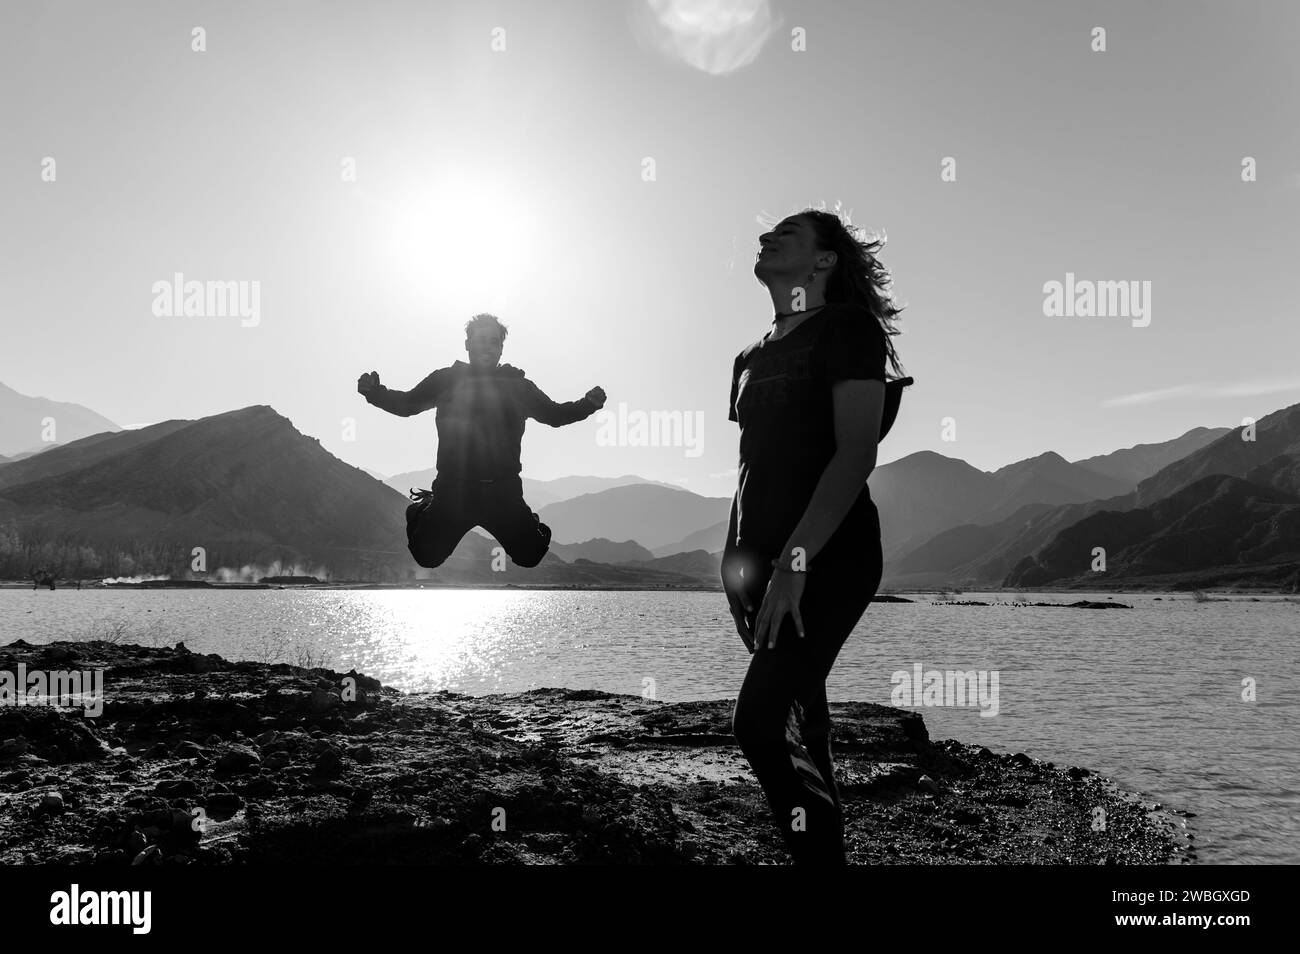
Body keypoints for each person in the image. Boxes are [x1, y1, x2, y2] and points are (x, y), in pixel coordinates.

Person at [723, 206, 908, 864]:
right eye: (766, 229)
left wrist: (794, 565)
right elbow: (750, 469)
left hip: (829, 558)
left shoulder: (846, 330)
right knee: (801, 720)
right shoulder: (748, 357)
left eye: (789, 234)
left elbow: (855, 453)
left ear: (824, 260)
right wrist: (733, 565)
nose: (767, 235)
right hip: (765, 565)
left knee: (760, 724)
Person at [358, 313, 606, 569]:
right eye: (480, 340)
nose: (486, 346)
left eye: (493, 341)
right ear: (467, 344)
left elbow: (555, 414)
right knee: (426, 557)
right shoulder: (446, 380)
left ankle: (527, 522)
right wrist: (375, 393)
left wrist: (587, 405)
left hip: (503, 493)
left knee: (530, 556)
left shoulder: (518, 387)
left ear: (501, 348)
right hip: (453, 491)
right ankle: (422, 510)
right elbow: (407, 404)